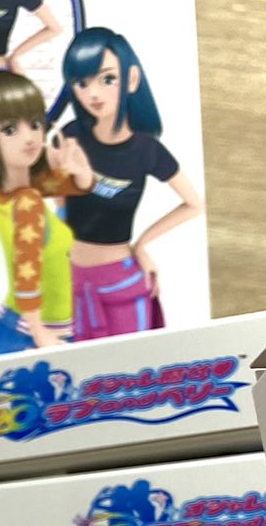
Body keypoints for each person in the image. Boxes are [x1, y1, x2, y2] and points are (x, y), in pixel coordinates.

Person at [60, 28, 204, 340]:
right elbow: (60, 206)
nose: (94, 94)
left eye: (107, 79)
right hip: (72, 282)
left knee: (130, 366)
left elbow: (194, 204)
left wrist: (142, 244)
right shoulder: (71, 136)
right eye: (82, 83)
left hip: (122, 283)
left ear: (132, 79)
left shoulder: (146, 150)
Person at [0, 69, 94, 354]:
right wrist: (39, 333)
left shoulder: (3, 188)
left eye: (35, 124)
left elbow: (78, 186)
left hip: (19, 326)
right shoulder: (28, 201)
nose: (30, 138)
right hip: (37, 333)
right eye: (10, 130)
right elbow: (27, 272)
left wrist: (76, 169)